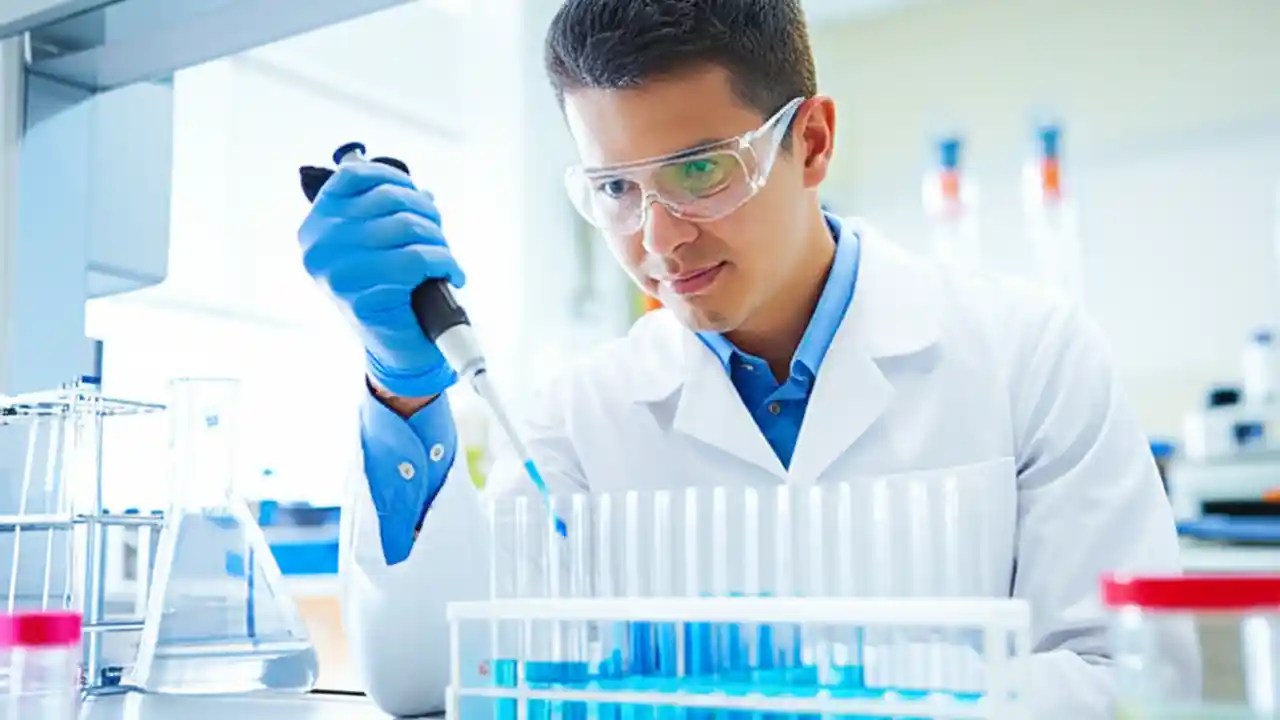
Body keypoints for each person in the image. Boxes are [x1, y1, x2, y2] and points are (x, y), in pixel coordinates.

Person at [297, 0, 1198, 716]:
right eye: (615, 188)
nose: (658, 240)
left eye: (699, 171)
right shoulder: (580, 416)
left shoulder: (1030, 356)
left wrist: (856, 703)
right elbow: (427, 680)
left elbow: (1131, 680)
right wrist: (402, 389)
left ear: (810, 142)